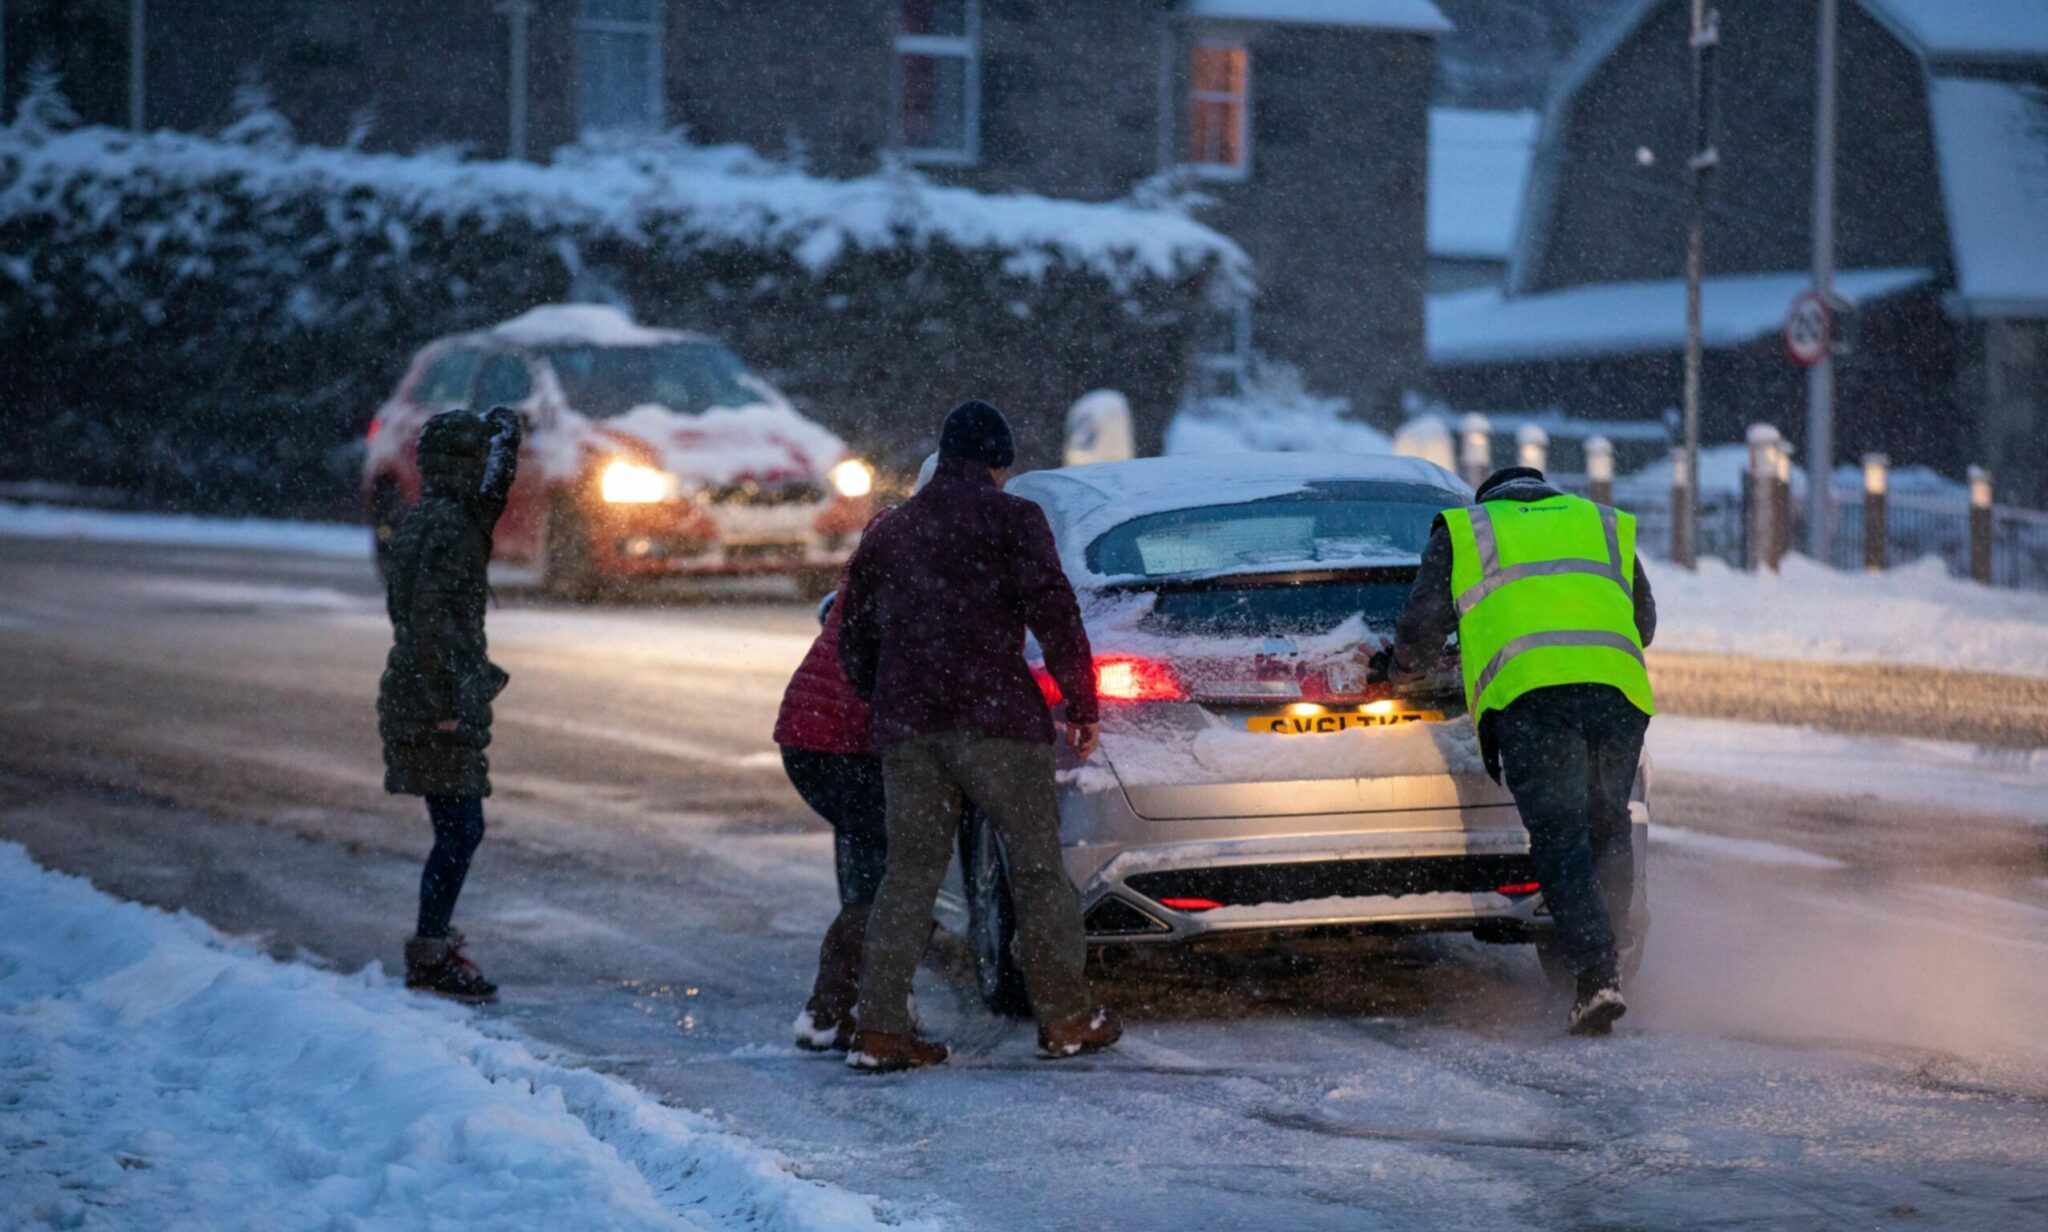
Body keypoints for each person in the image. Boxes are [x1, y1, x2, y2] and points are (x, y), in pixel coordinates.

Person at [836, 400, 1121, 1071]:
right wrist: (1082, 702)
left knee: (909, 876)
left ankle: (879, 1029)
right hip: (998, 723)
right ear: (998, 463)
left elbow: (853, 634)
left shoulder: (891, 530)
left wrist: (891, 698)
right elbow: (1055, 610)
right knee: (1036, 869)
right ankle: (1065, 1017)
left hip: (911, 731)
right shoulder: (1014, 518)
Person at [1379, 466, 1656, 1036]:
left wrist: (1397, 673)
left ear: (1490, 499)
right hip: (1618, 694)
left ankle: (1597, 976)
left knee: (1561, 835)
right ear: (1543, 489)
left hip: (1533, 697)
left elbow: (1421, 628)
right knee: (1608, 825)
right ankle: (1612, 954)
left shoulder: (1467, 530)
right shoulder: (1598, 521)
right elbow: (1644, 622)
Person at [775, 455, 942, 1052]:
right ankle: (834, 1011)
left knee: (871, 870)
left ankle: (854, 1008)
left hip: (815, 733)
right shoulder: (925, 550)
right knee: (891, 880)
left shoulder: (888, 534)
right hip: (847, 739)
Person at [377, 405, 524, 1002]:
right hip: (434, 699)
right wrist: (446, 702)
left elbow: (491, 497)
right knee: (460, 830)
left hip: (426, 690)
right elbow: (430, 623)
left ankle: (433, 947)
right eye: (480, 459)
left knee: (458, 829)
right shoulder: (451, 531)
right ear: (465, 465)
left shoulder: (429, 517)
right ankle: (432, 953)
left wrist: (506, 439)